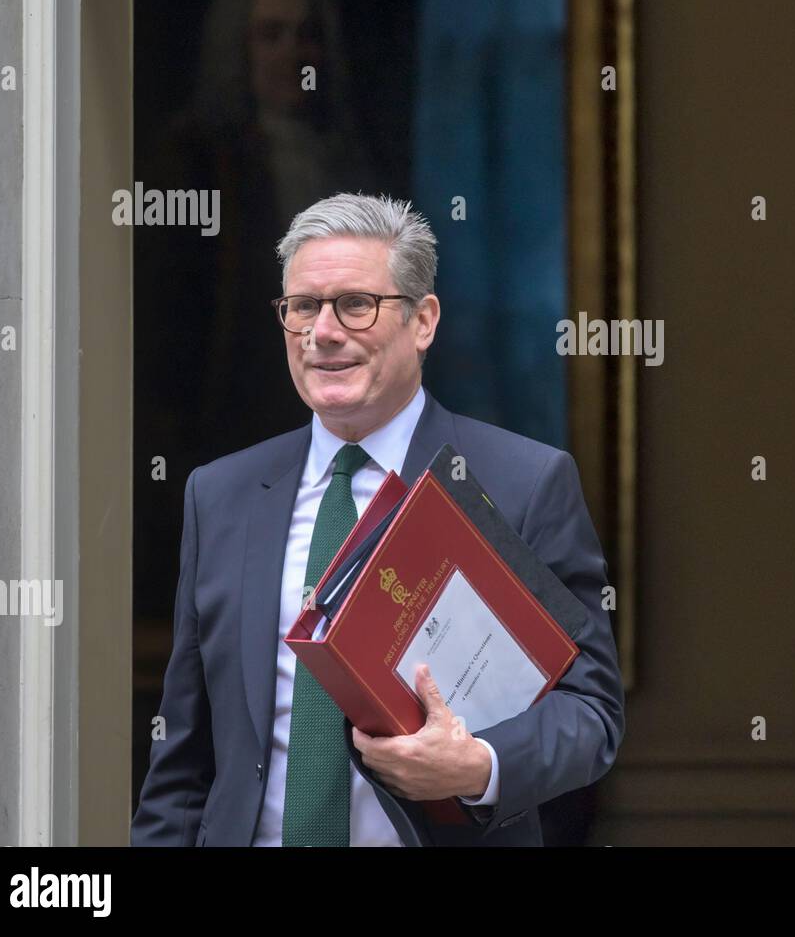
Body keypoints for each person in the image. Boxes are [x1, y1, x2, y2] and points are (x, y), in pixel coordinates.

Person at [131, 193, 625, 847]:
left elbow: (590, 712)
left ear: (423, 320)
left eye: (355, 304)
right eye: (303, 306)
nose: (324, 332)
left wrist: (478, 765)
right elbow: (183, 762)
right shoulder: (220, 495)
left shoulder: (522, 483)